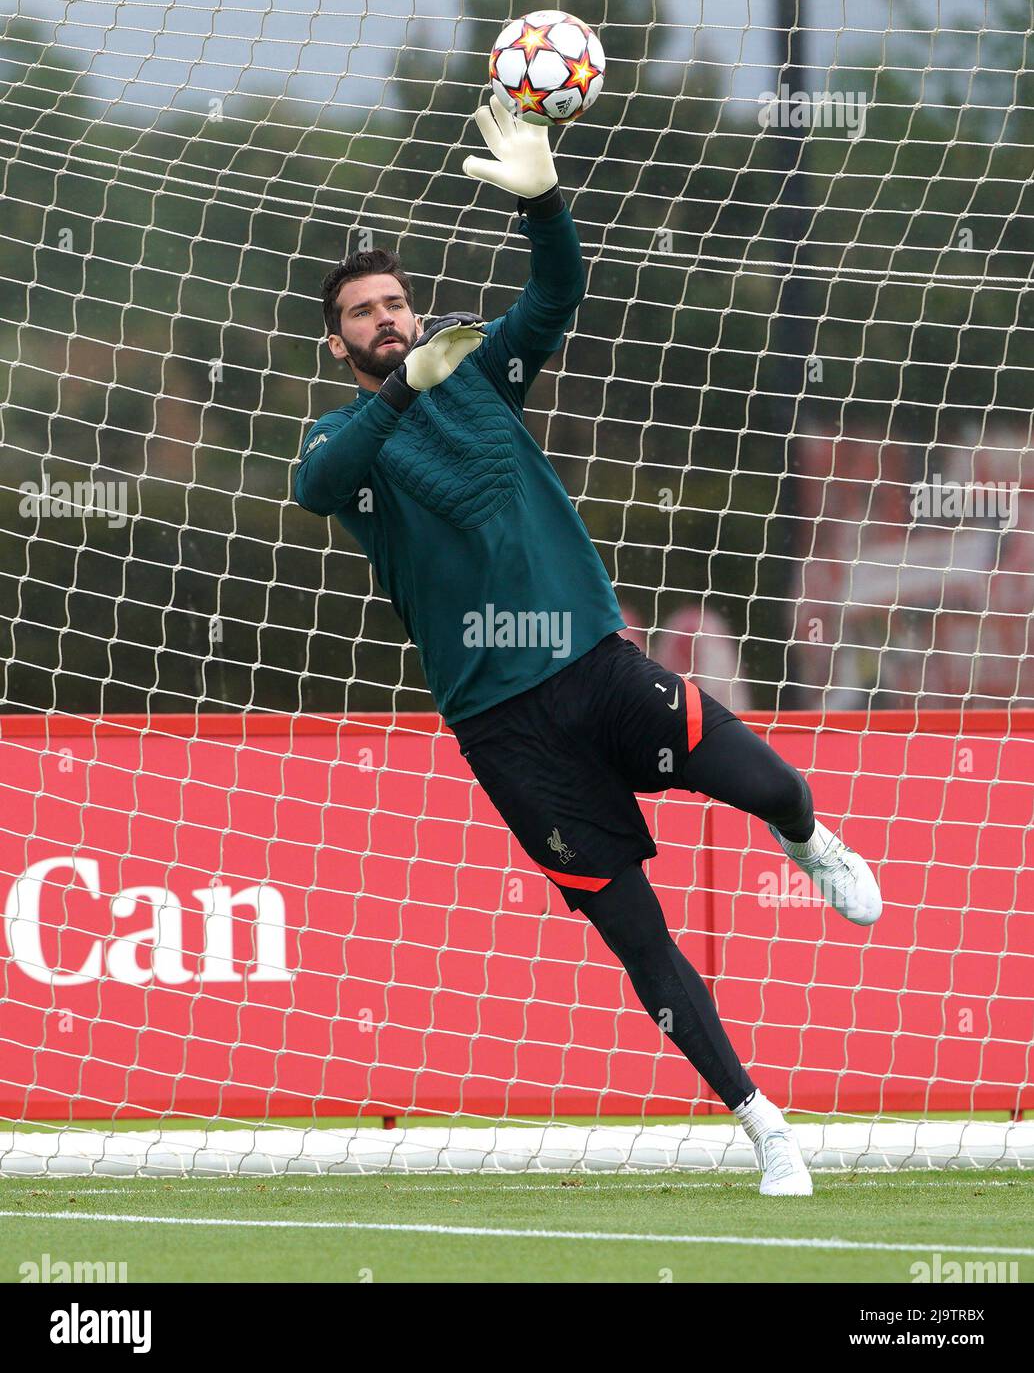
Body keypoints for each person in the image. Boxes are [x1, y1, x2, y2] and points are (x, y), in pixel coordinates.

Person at [292, 98, 882, 1196]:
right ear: (339, 342)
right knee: (638, 940)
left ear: (414, 311)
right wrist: (397, 393)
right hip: (503, 728)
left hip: (598, 669)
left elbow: (555, 292)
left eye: (394, 303)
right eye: (363, 313)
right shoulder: (341, 438)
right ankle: (764, 1128)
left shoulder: (473, 373)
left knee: (776, 784)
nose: (385, 318)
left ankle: (808, 840)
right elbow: (320, 488)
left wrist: (542, 202)